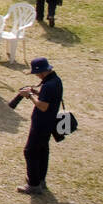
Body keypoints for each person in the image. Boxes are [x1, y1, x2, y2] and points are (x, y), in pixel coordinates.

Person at [17, 57, 62, 195]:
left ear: (41, 72)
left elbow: (43, 106)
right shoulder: (56, 80)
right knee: (42, 151)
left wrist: (30, 95)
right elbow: (47, 98)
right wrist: (36, 92)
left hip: (41, 123)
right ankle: (40, 179)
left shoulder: (48, 86)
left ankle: (33, 184)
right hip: (48, 123)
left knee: (30, 152)